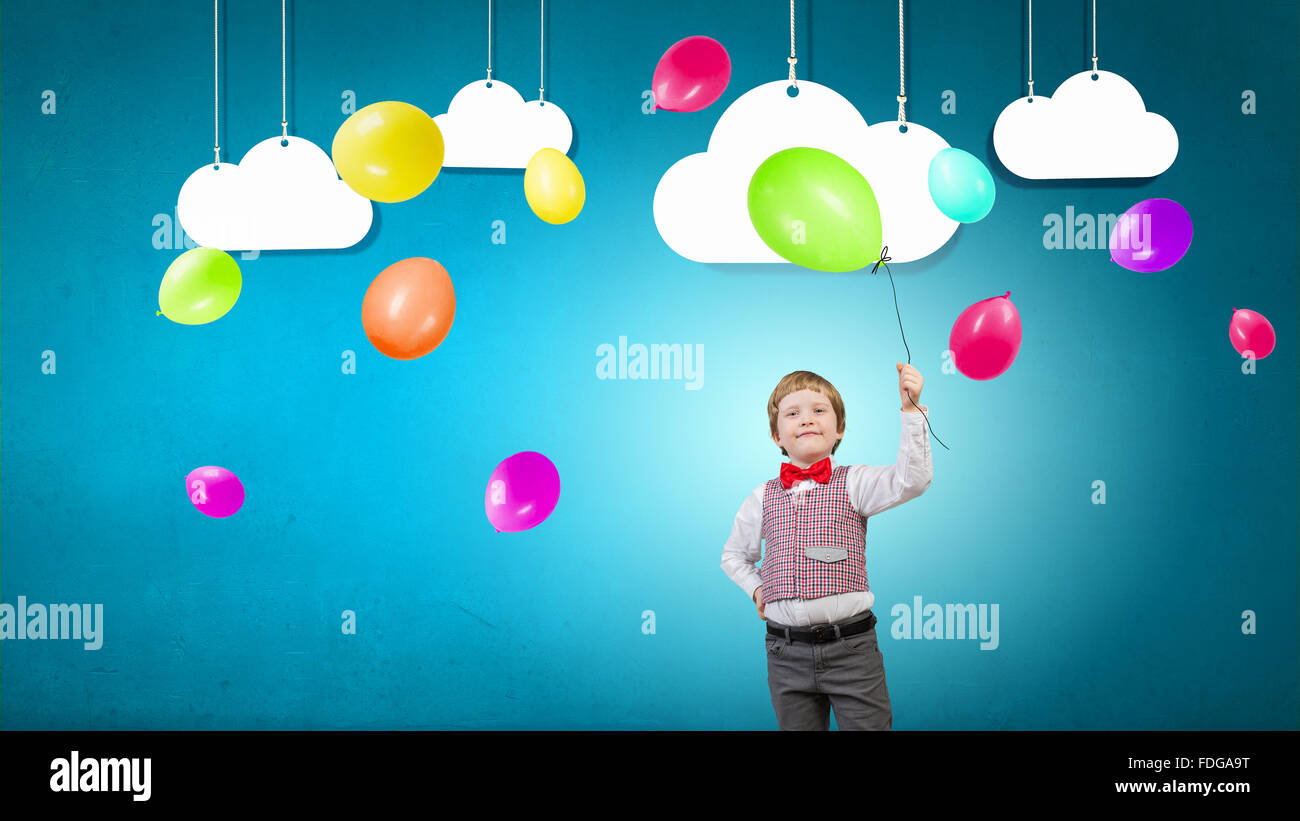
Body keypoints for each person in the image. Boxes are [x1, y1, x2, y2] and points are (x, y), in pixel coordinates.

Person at [721, 366, 933, 730]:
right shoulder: (761, 496)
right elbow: (734, 556)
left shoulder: (856, 482)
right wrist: (757, 587)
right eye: (793, 413)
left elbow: (911, 481)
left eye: (819, 410)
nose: (806, 419)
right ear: (776, 435)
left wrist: (912, 413)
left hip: (851, 648)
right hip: (784, 653)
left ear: (840, 429)